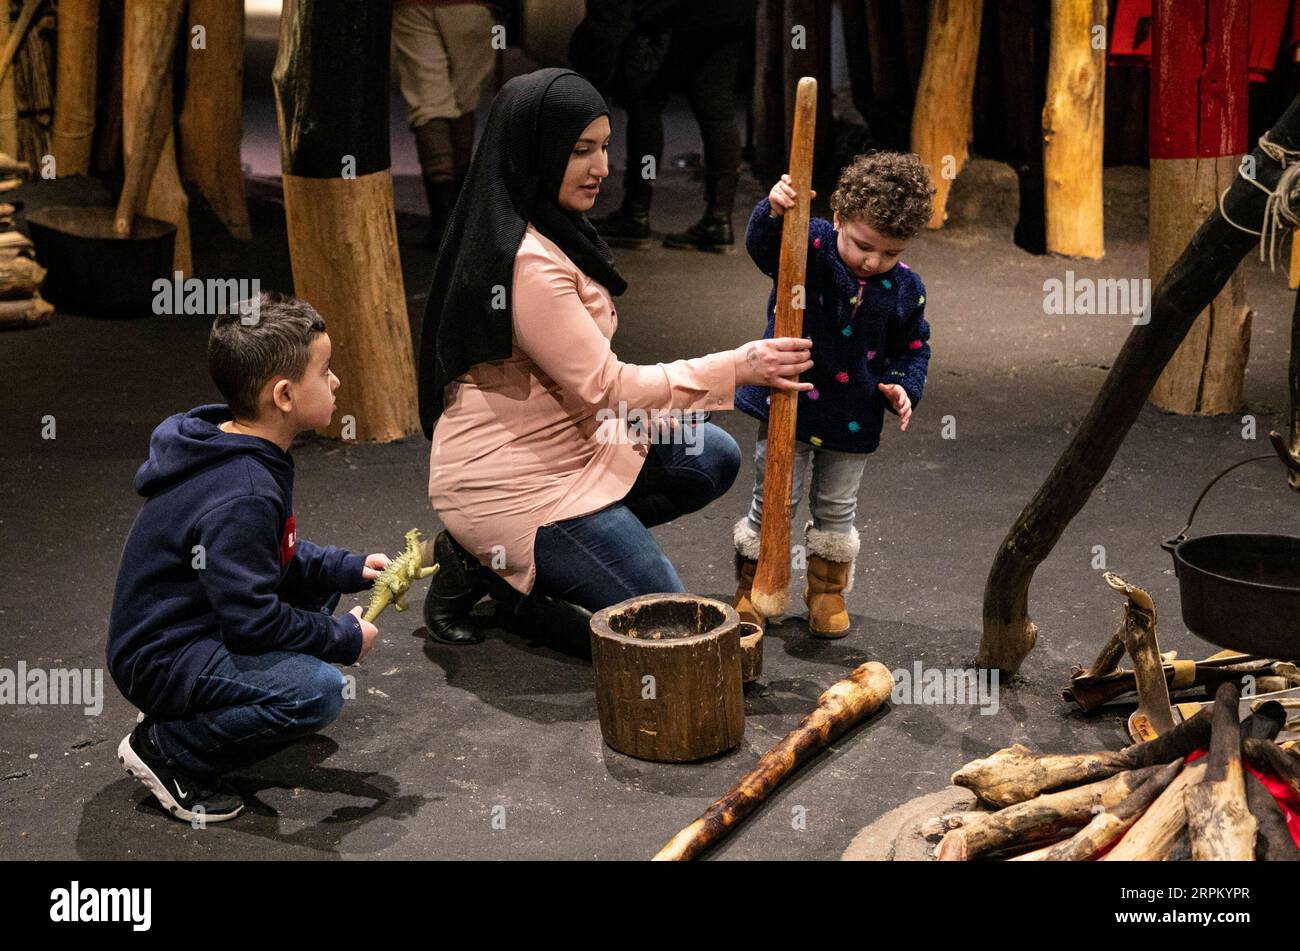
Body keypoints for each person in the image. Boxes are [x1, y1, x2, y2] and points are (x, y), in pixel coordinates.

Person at [416, 67, 812, 646]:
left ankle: (535, 560)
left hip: (575, 439)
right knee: (672, 625)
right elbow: (607, 386)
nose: (602, 167)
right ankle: (483, 557)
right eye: (580, 151)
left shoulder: (554, 225)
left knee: (711, 455)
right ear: (537, 150)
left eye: (604, 146)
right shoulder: (527, 264)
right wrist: (740, 366)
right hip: (517, 484)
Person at [108, 292, 388, 823]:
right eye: (325, 371)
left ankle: (199, 704)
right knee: (318, 694)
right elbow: (254, 619)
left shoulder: (233, 442)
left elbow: (267, 556)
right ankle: (169, 749)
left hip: (189, 626)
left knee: (319, 588)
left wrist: (343, 567)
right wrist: (342, 640)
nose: (336, 383)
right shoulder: (246, 490)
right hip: (163, 655)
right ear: (283, 395)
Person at [731, 153, 935, 638]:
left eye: (890, 253)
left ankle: (826, 592)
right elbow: (764, 249)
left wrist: (902, 386)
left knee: (838, 509)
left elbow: (913, 347)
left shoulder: (906, 287)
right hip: (790, 405)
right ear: (839, 217)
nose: (873, 261)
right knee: (773, 499)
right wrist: (774, 210)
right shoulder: (813, 243)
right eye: (864, 246)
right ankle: (754, 588)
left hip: (853, 417)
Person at [571, 1, 756, 253]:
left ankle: (636, 214)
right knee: (717, 110)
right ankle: (718, 220)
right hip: (730, 14)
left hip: (674, 13)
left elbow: (611, 20)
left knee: (646, 101)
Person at [391, 0, 501, 246]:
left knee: (429, 102)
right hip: (474, 7)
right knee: (464, 101)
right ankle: (460, 219)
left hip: (412, 5)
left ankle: (442, 219)